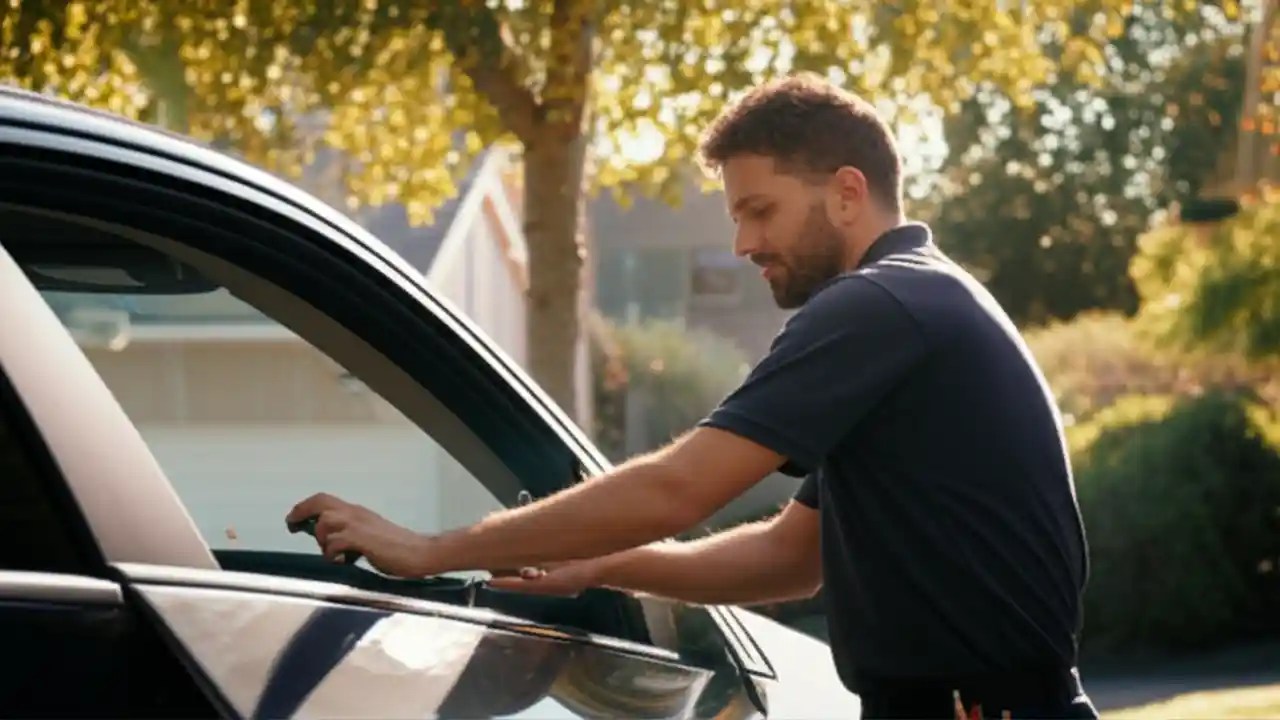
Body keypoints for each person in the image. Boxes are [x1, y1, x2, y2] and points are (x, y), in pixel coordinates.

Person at [287, 73, 1097, 719]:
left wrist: (431, 549)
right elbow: (793, 555)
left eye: (759, 210)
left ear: (848, 193)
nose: (743, 243)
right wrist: (600, 565)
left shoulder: (877, 306)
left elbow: (681, 488)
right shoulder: (918, 307)